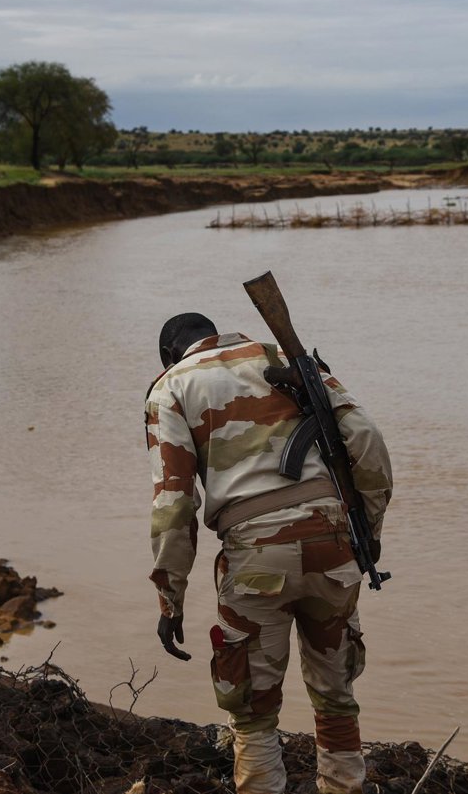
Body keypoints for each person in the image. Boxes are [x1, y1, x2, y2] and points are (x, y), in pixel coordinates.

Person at [144, 312, 393, 794]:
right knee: (336, 698)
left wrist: (170, 598)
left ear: (169, 356)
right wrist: (368, 531)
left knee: (253, 712)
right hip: (332, 546)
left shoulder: (170, 387)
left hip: (254, 558)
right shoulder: (285, 357)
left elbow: (174, 505)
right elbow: (367, 440)